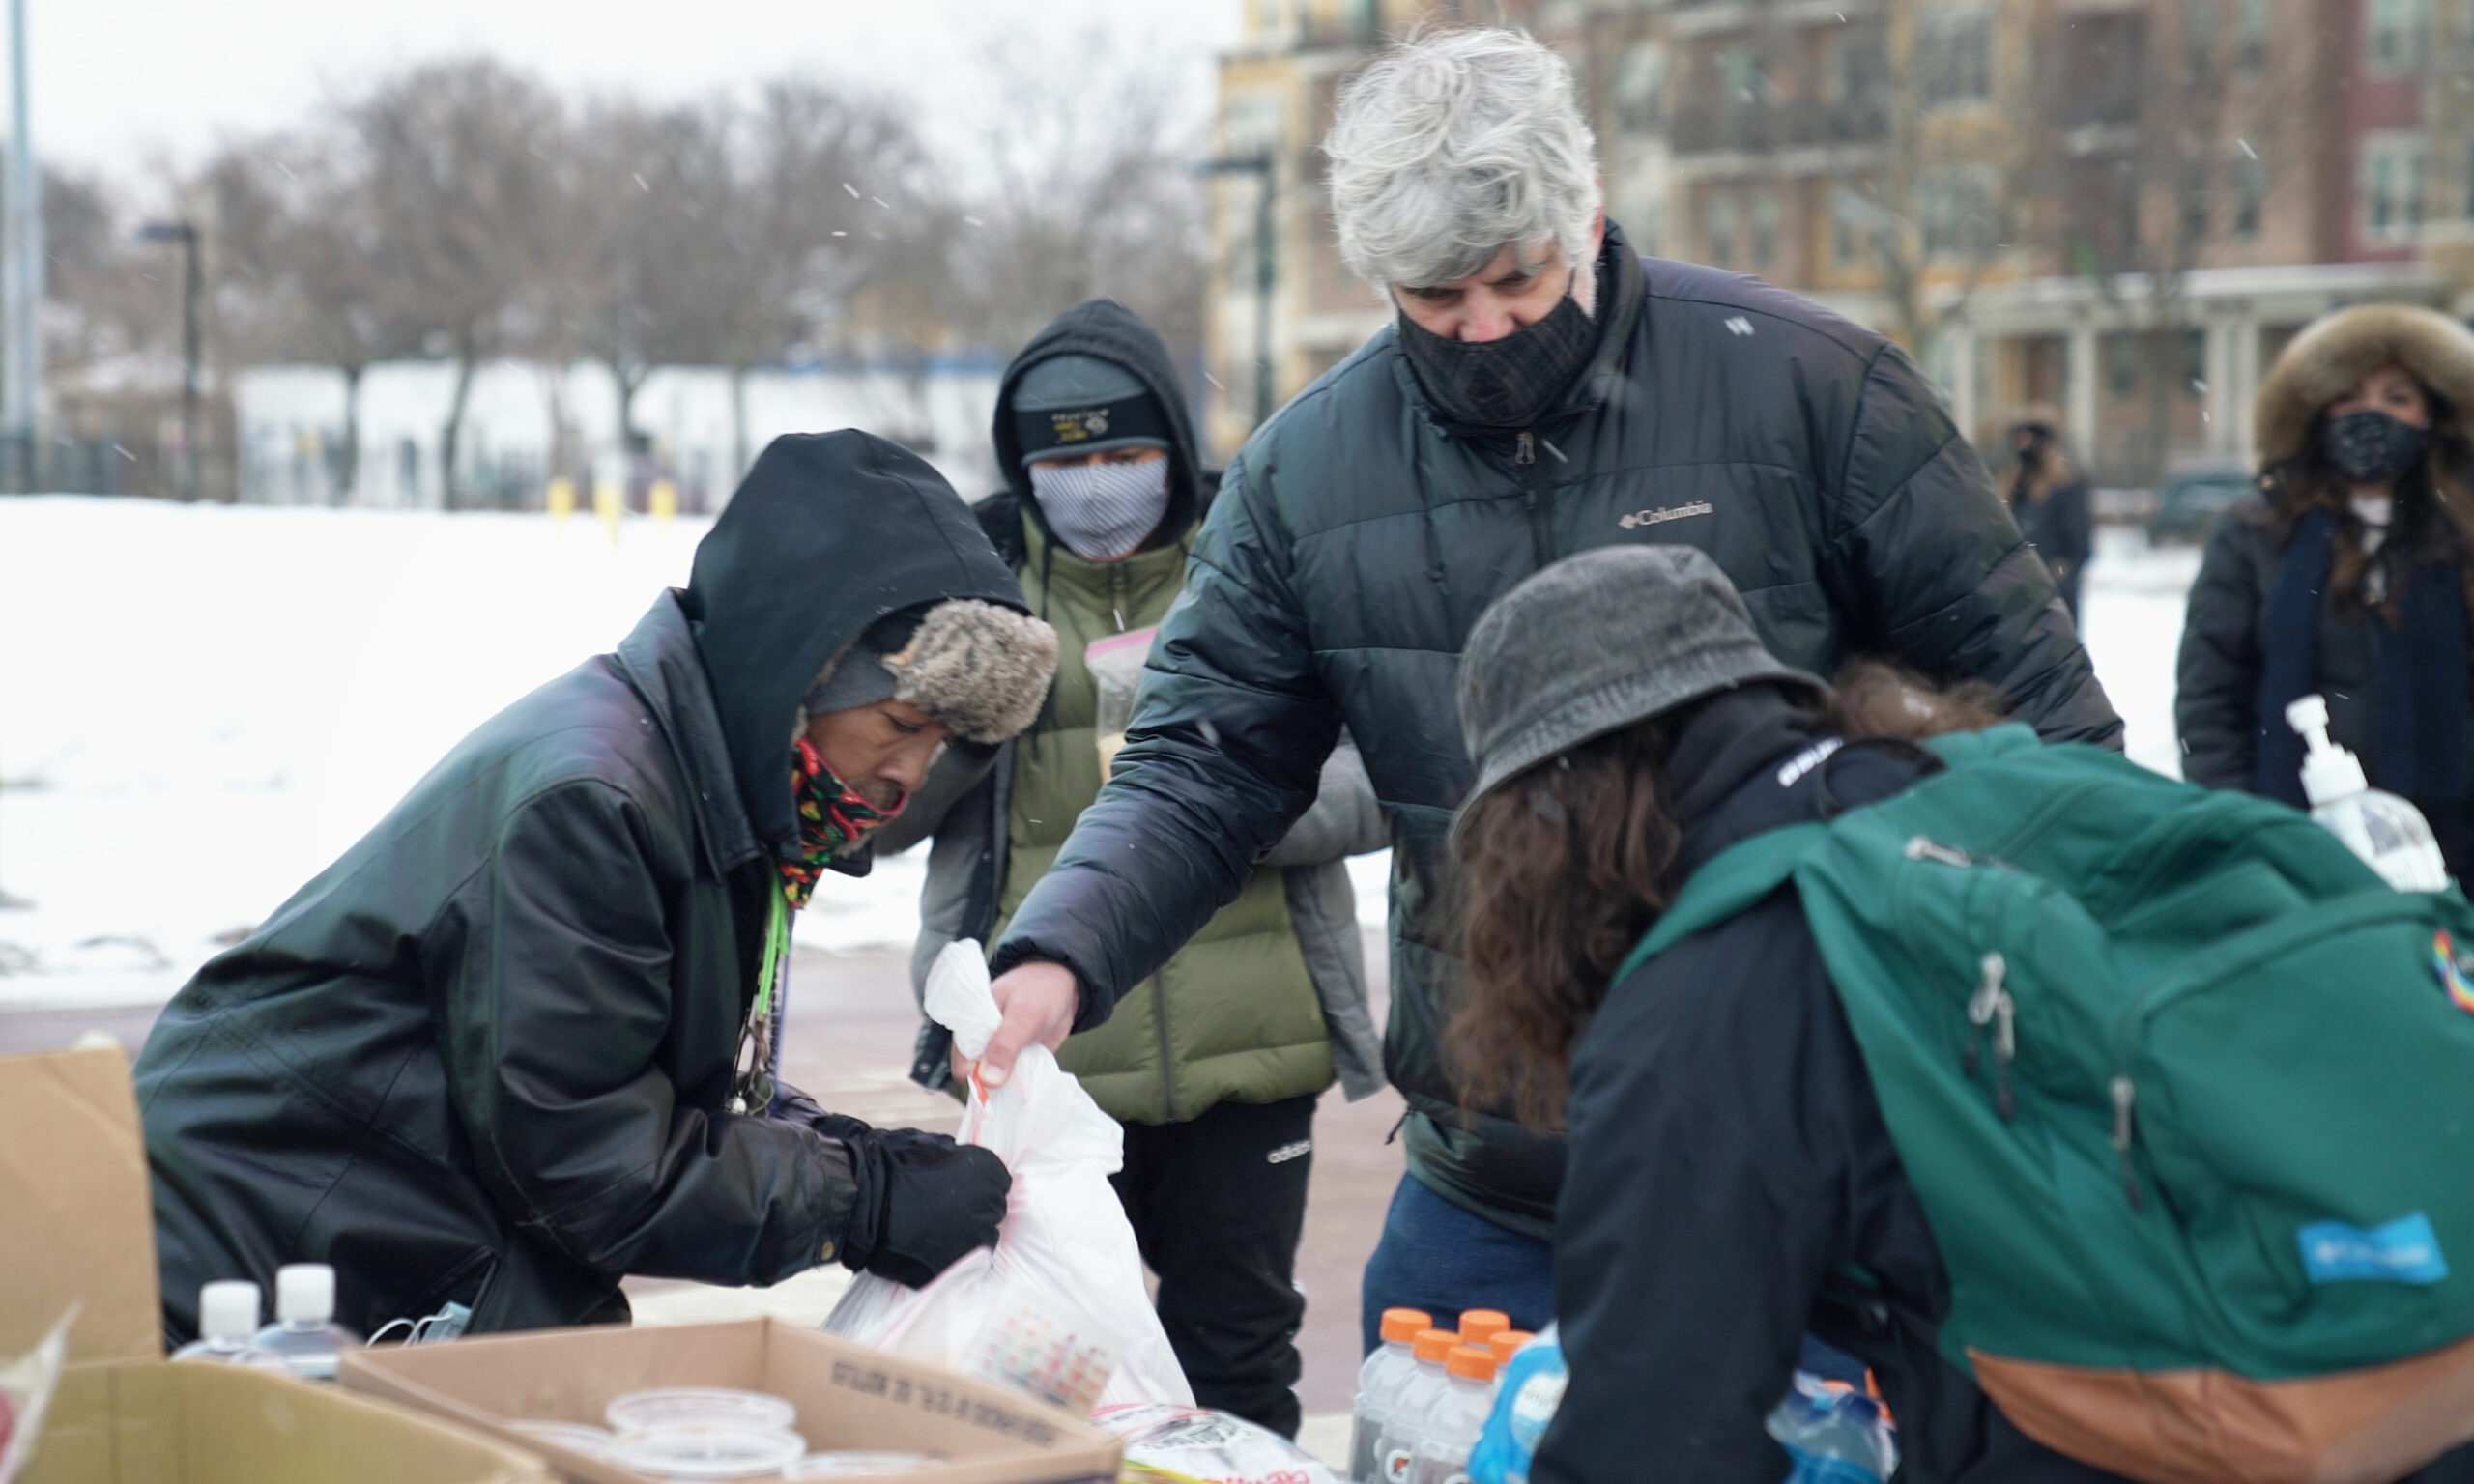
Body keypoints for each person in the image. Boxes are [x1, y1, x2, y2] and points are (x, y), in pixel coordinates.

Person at [962, 26, 2119, 1351]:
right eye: (1436, 300)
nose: (1485, 328)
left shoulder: (1811, 390)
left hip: (1825, 1142)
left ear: (1589, 218)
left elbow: (2040, 725)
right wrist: (1063, 946)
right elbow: (1205, 757)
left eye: (1516, 280)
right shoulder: (1308, 473)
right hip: (1502, 1171)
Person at [1448, 544, 2474, 1484]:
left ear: (1551, 813)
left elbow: (1654, 1432)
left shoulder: (1709, 991)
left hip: (2155, 1435)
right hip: (2415, 1353)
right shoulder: (2017, 781)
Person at [134, 431, 1059, 1343]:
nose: (910, 773)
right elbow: (588, 1162)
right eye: (900, 721)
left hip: (380, 1237)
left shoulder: (716, 789)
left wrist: (857, 1158)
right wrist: (861, 1199)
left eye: (940, 742)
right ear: (799, 673)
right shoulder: (599, 801)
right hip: (261, 1234)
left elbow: (650, 1091)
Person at [873, 300, 1385, 1437]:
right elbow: (878, 817)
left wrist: (1227, 803)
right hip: (1043, 1054)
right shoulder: (972, 583)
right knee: (1040, 1377)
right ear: (1024, 467)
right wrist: (968, 715)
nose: (1096, 482)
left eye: (1124, 453)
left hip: (1252, 1052)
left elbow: (1385, 771)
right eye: (1067, 461)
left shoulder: (1259, 565)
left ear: (1172, 449)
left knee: (1240, 1360)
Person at [2175, 304, 2474, 877]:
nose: (2371, 414)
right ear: (2315, 412)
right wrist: (2240, 825)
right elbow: (2211, 699)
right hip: (2291, 848)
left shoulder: (2463, 536)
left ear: (2432, 418)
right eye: (2349, 396)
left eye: (2397, 397)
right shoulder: (2256, 534)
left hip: (2452, 851)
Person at [2005, 412, 2093, 620]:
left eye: (2028, 439)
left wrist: (2060, 577)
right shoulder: (2010, 482)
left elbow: (2079, 543)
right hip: (2015, 593)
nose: (2022, 446)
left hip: (2053, 596)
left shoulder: (2067, 485)